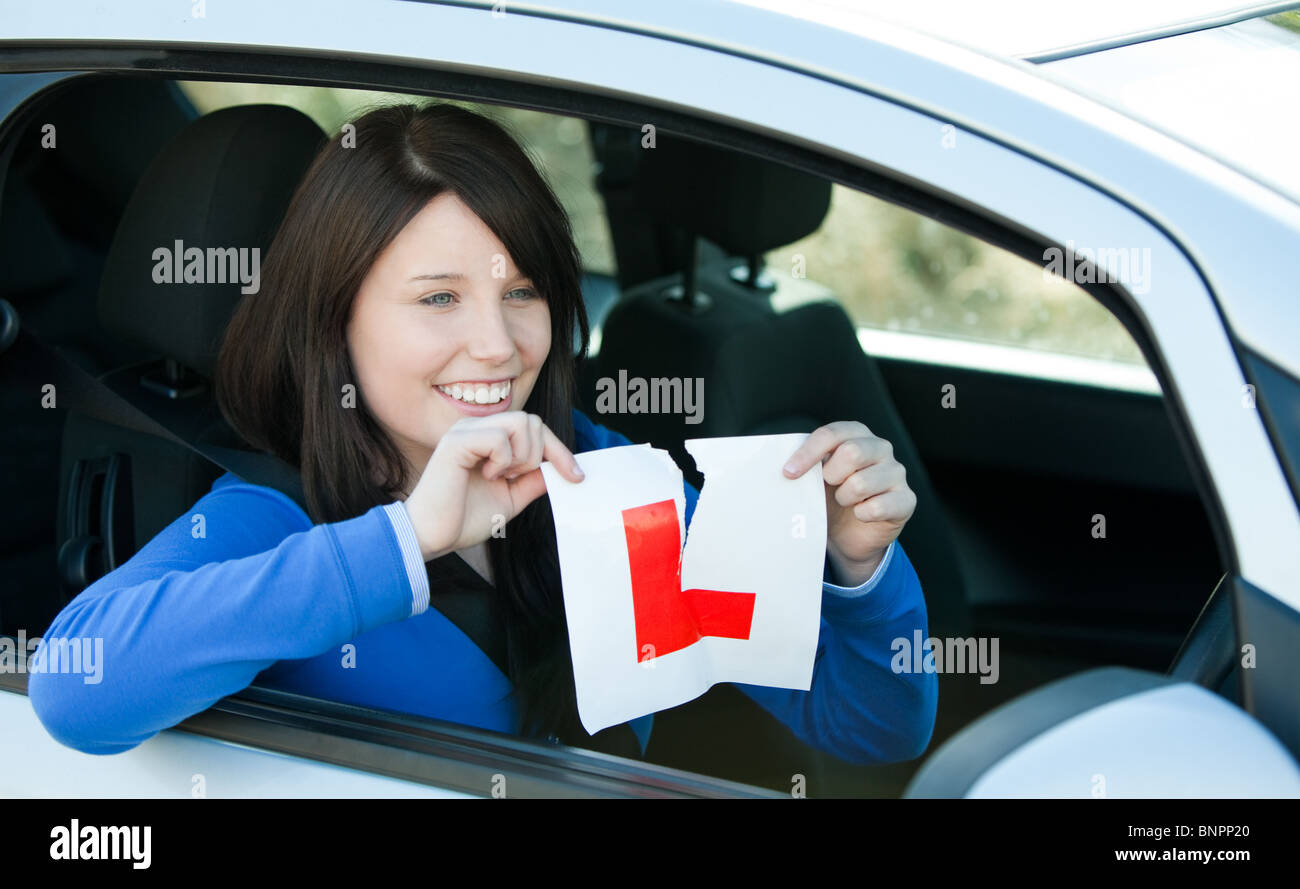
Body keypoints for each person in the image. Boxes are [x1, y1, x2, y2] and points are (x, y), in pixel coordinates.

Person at [28, 102, 937, 766]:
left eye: (521, 292)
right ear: (336, 319)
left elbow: (872, 728)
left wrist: (855, 574)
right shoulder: (278, 515)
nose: (498, 345)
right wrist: (409, 542)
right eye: (437, 299)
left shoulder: (605, 478)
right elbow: (78, 690)